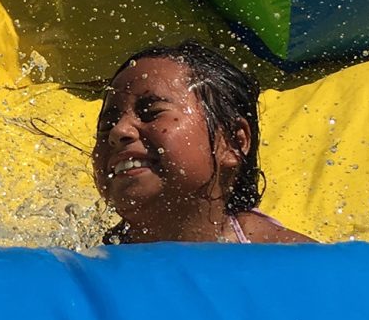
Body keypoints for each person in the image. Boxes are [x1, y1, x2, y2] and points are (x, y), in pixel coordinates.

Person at [92, 41, 313, 244]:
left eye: (152, 112)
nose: (118, 130)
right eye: (107, 124)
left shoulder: (277, 254)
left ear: (232, 142)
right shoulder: (94, 257)